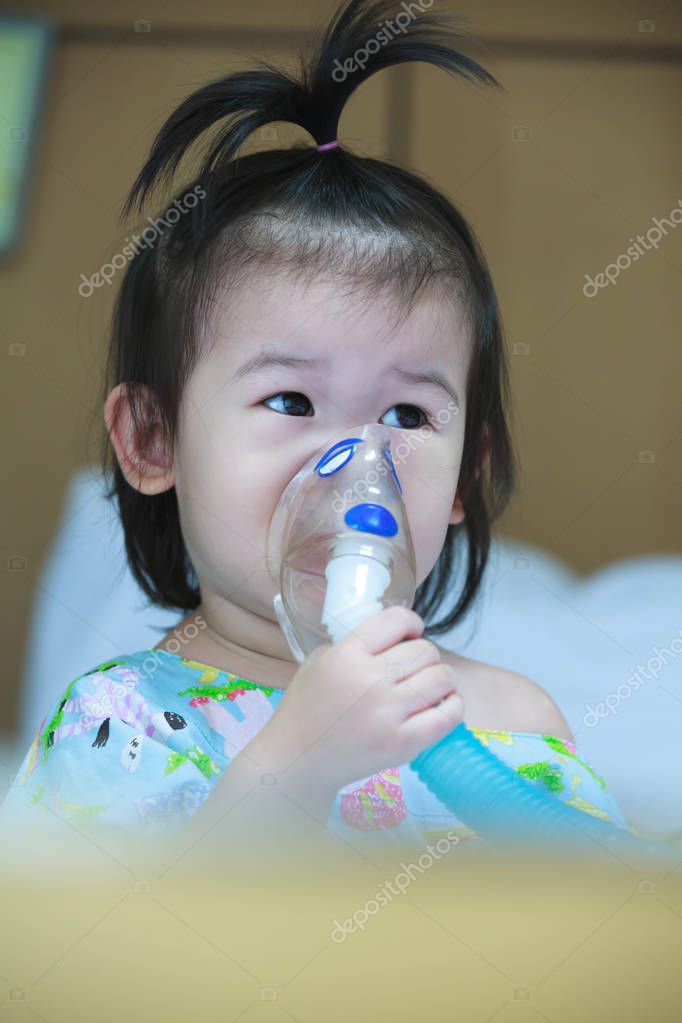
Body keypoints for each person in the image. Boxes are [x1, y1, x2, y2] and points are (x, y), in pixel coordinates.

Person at [0, 0, 632, 858]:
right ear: (154, 439)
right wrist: (294, 769)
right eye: (292, 401)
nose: (357, 465)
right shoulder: (119, 725)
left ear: (464, 477)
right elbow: (104, 968)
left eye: (407, 415)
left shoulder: (513, 724)